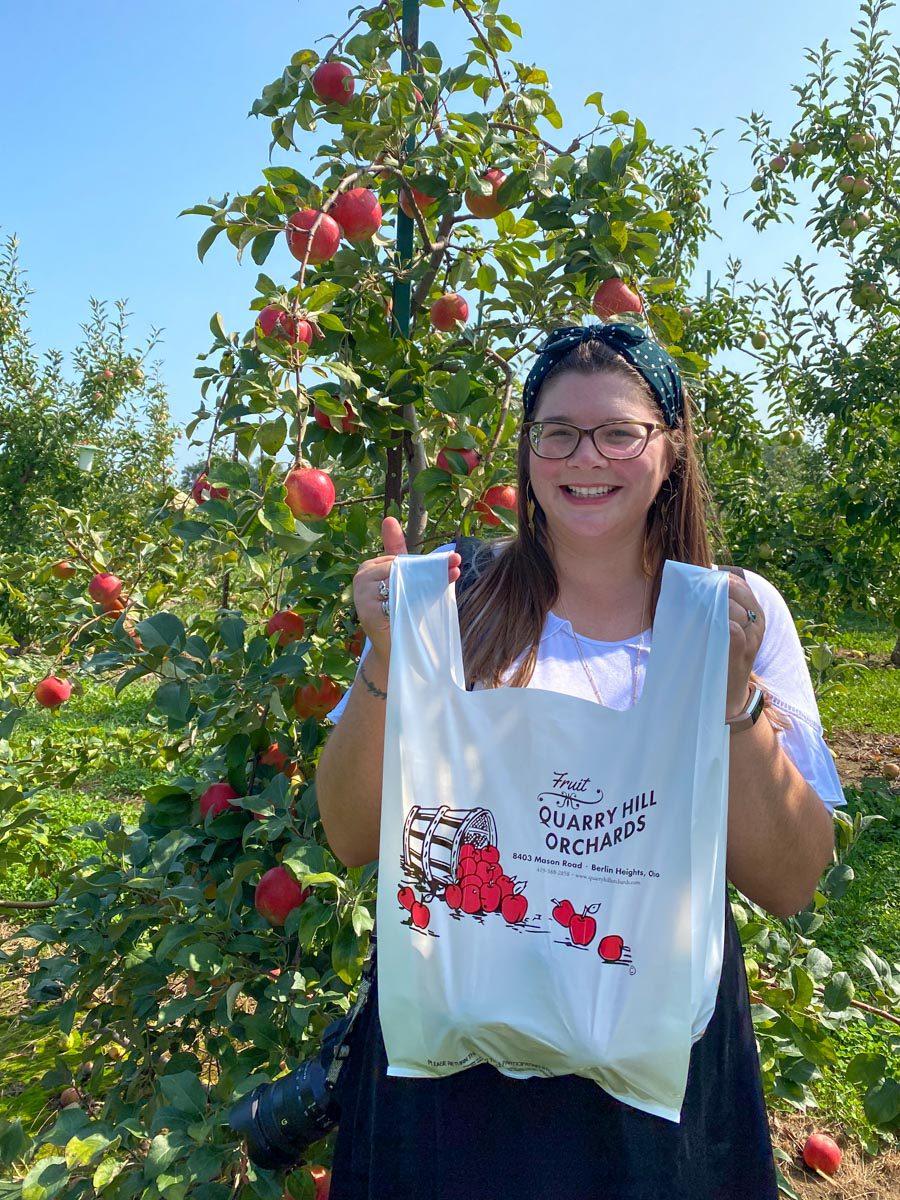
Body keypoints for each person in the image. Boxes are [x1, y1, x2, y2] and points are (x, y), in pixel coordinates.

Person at [316, 323, 844, 1199]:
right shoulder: (457, 601)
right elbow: (347, 833)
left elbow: (790, 882)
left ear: (670, 451)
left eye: (619, 432)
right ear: (527, 454)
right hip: (459, 1056)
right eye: (555, 432)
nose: (582, 456)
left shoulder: (734, 615)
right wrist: (384, 657)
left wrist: (731, 700)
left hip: (654, 1067)